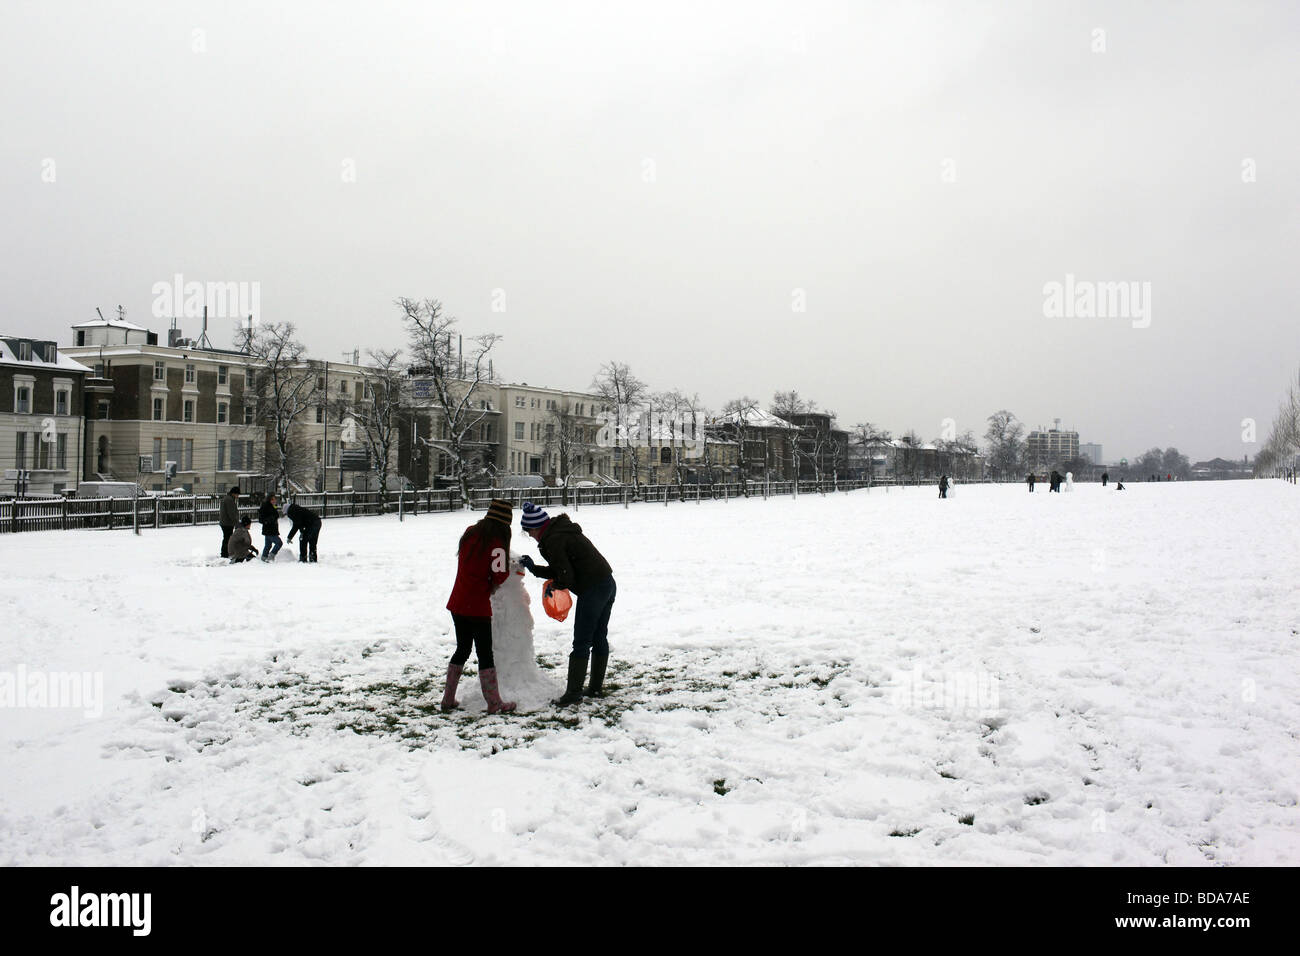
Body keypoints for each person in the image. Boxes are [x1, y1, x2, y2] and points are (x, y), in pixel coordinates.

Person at [517, 501, 616, 707]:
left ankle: (573, 694)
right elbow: (562, 568)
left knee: (582, 640)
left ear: (536, 527)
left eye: (529, 532)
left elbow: (564, 575)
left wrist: (556, 585)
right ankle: (595, 688)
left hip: (593, 589)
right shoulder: (560, 531)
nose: (530, 536)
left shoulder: (553, 539)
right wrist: (536, 569)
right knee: (598, 636)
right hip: (606, 582)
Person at [442, 499, 516, 714]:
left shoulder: (470, 532)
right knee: (485, 654)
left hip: (458, 602)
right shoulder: (497, 543)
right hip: (477, 607)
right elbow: (500, 575)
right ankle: (494, 703)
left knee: (462, 649)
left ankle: (448, 699)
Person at [259, 493, 283, 562]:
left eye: (275, 499)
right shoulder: (266, 507)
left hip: (270, 530)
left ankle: (264, 557)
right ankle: (271, 556)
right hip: (270, 530)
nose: (274, 501)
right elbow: (262, 519)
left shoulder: (272, 507)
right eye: (272, 499)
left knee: (268, 545)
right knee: (279, 543)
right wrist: (269, 520)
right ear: (269, 500)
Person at [219, 486, 240, 558]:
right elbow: (231, 513)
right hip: (227, 523)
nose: (238, 496)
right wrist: (236, 522)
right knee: (227, 539)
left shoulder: (228, 498)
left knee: (227, 538)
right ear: (234, 493)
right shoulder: (229, 500)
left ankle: (225, 553)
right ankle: (225, 554)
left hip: (225, 522)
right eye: (237, 494)